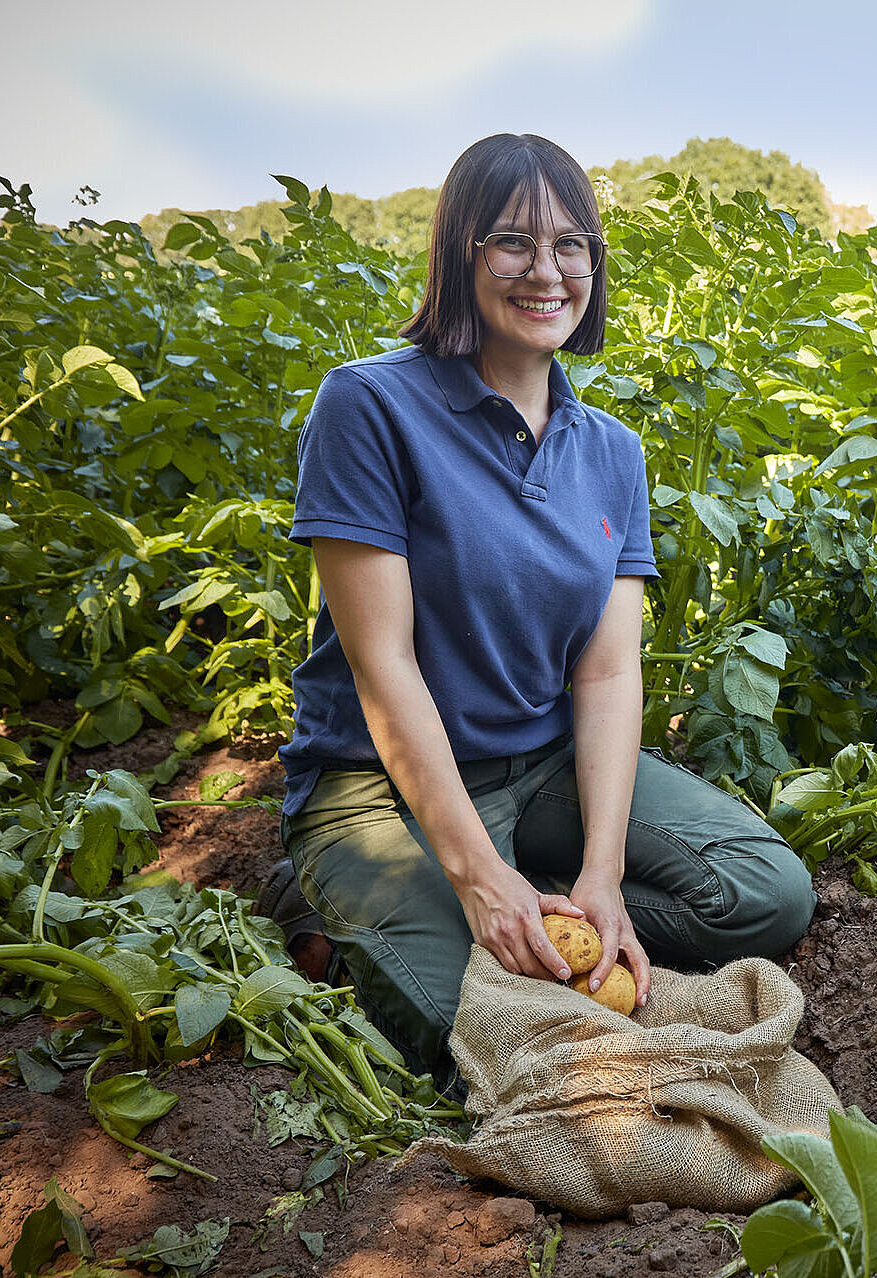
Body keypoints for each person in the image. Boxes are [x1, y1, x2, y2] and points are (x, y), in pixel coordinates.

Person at [260, 133, 816, 1096]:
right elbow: (383, 666)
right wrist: (479, 880)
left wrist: (600, 880)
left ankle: (532, 898)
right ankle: (329, 895)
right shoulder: (369, 407)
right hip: (383, 786)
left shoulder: (614, 452)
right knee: (470, 1031)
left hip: (545, 766)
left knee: (767, 897)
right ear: (459, 254)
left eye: (572, 246)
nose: (546, 271)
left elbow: (605, 674)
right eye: (512, 242)